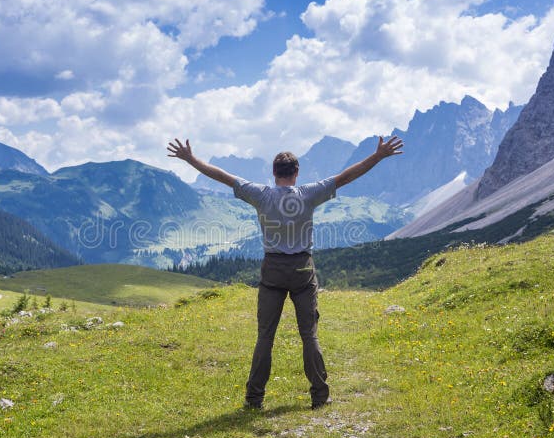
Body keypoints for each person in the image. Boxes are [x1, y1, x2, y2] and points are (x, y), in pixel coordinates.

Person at [167, 135, 403, 409]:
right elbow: (345, 177)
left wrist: (190, 159)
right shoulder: (308, 194)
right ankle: (319, 396)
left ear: (273, 173)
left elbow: (223, 176)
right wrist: (378, 156)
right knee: (309, 335)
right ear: (297, 173)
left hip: (273, 270)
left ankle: (254, 399)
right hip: (302, 268)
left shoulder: (260, 195)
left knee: (265, 337)